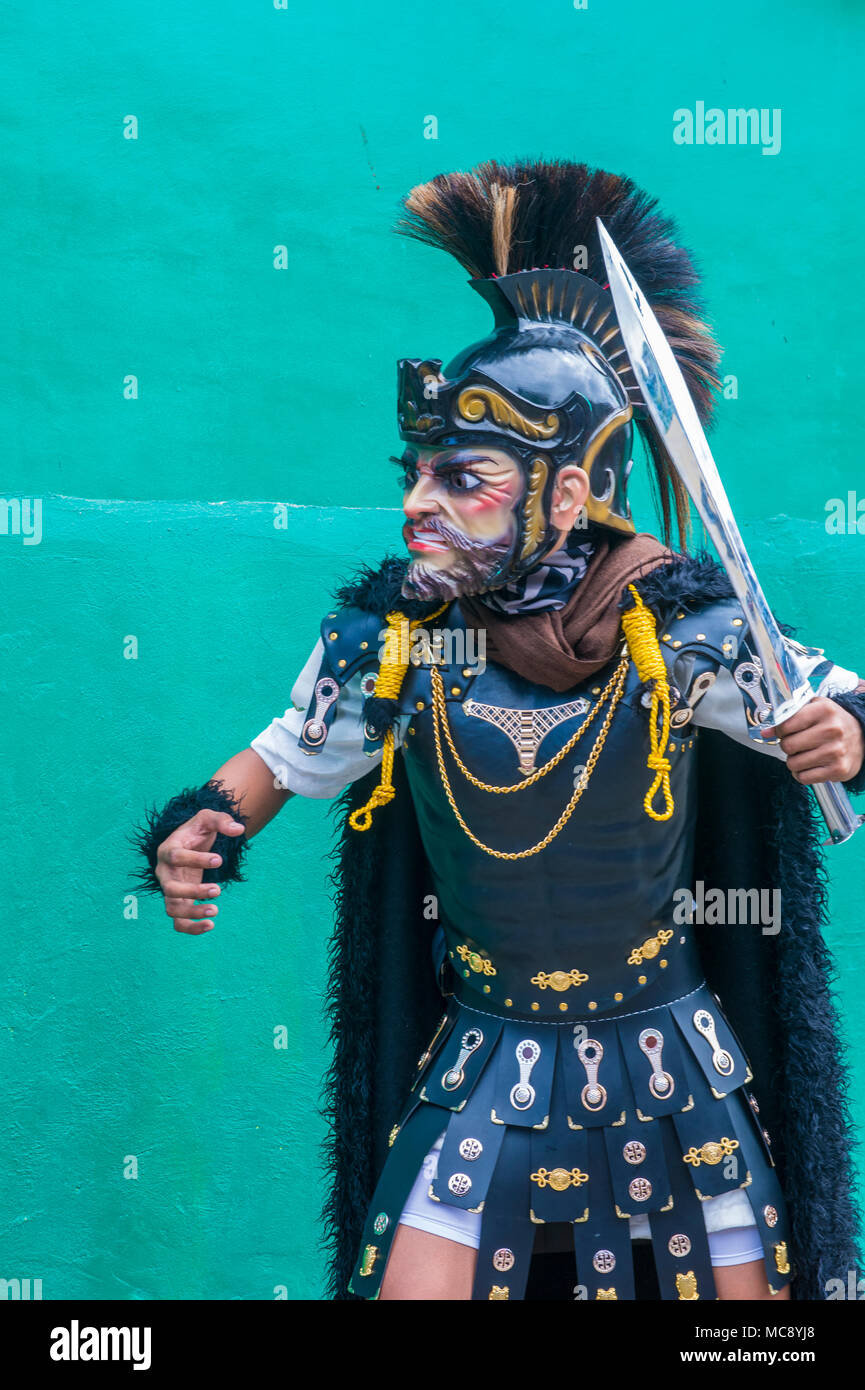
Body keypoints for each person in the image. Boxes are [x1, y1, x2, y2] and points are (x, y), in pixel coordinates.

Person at [135, 159, 865, 1301]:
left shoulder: (677, 633)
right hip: (486, 1061)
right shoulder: (397, 641)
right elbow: (283, 755)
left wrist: (840, 733)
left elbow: (835, 700)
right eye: (415, 471)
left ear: (568, 494)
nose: (419, 502)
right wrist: (202, 826)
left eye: (462, 476)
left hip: (674, 1063)